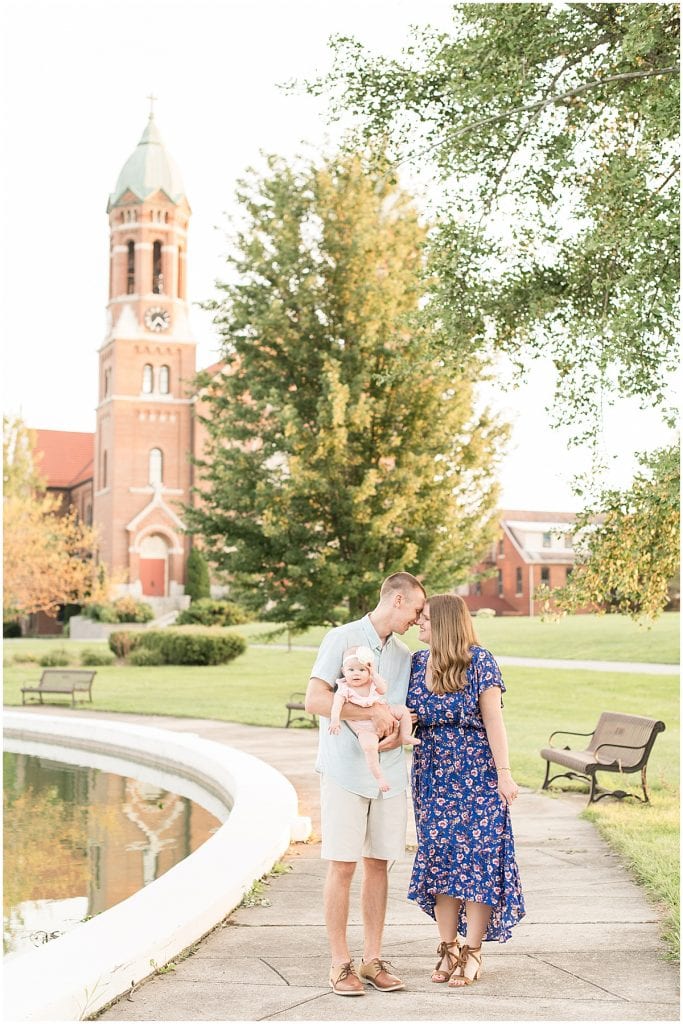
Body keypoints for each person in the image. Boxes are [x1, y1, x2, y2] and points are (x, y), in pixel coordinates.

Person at [305, 571, 426, 996]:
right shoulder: (340, 638)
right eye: (414, 609)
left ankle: (373, 960)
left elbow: (400, 713)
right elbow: (316, 700)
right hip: (343, 772)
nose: (416, 617)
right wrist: (368, 715)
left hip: (389, 774)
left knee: (379, 864)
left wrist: (393, 729)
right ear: (396, 600)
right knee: (342, 865)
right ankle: (341, 965)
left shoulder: (405, 655)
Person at [406, 593, 525, 988]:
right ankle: (447, 946)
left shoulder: (481, 661)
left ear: (443, 623)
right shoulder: (416, 663)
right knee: (440, 860)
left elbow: (495, 723)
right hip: (432, 774)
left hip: (478, 774)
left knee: (478, 861)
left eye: (424, 618)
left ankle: (473, 949)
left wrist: (504, 775)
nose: (418, 623)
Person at [329, 645, 420, 793]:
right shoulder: (344, 689)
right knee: (369, 749)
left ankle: (405, 736)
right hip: (364, 728)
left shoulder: (371, 683)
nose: (356, 673)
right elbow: (336, 706)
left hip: (384, 711)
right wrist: (335, 721)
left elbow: (383, 689)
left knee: (402, 710)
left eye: (362, 669)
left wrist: (374, 674)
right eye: (351, 670)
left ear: (369, 671)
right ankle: (379, 778)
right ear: (343, 671)